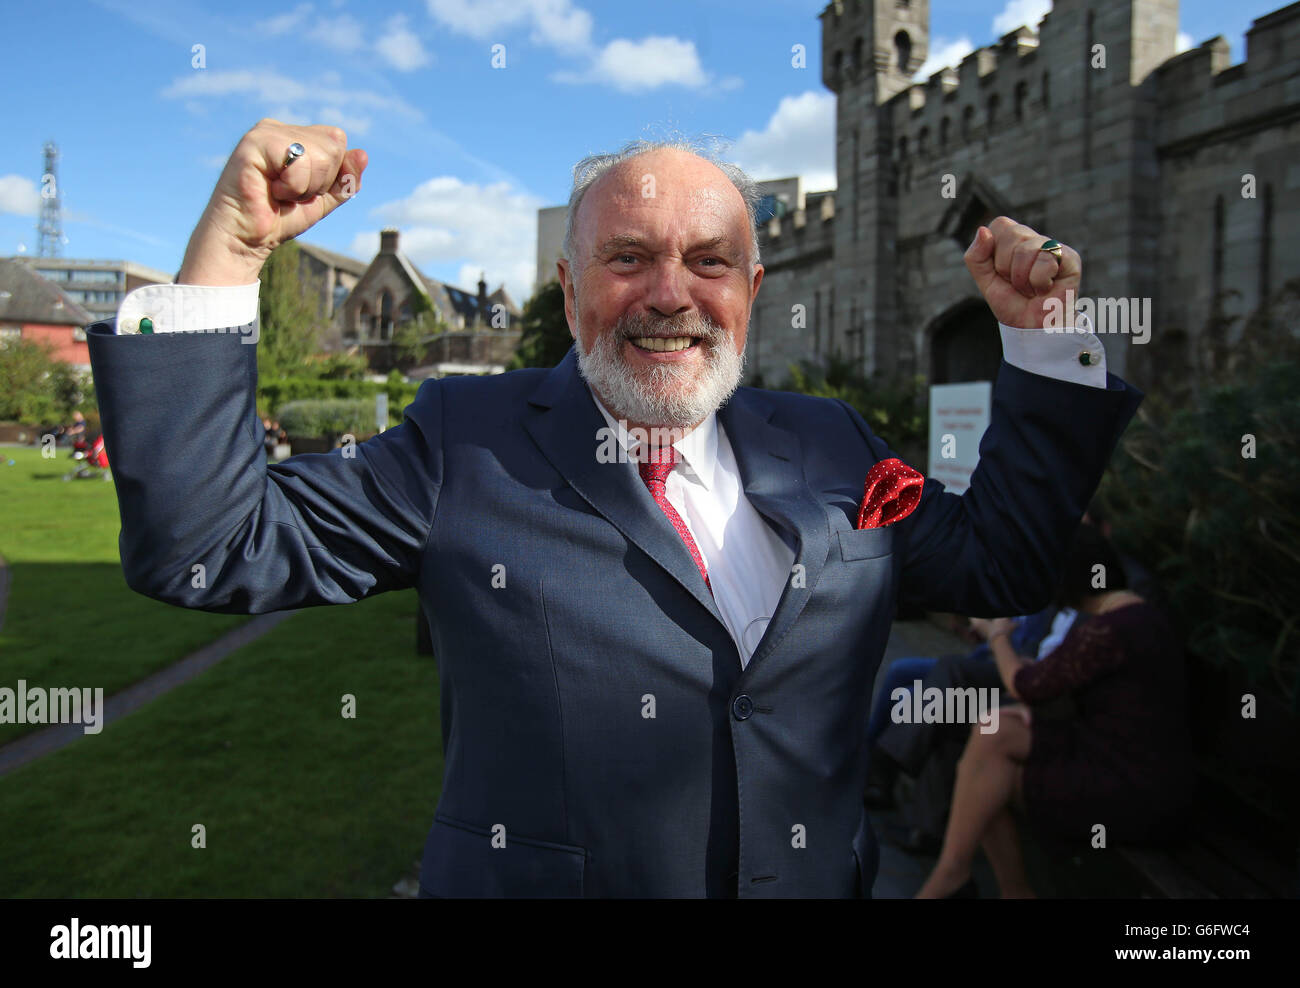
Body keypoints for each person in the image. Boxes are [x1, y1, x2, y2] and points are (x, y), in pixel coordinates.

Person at [85, 119, 1143, 898]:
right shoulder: (468, 441)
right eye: (628, 258)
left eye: (708, 260)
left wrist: (1048, 341)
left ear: (754, 285)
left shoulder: (832, 441)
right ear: (570, 282)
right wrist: (230, 254)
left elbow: (1001, 566)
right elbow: (207, 546)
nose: (670, 294)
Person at [914, 525, 1196, 898]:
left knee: (984, 781)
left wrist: (997, 635)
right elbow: (1065, 690)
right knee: (993, 733)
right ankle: (974, 880)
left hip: (1133, 790)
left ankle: (968, 880)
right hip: (1126, 766)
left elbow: (1024, 686)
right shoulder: (1136, 618)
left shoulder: (1108, 630)